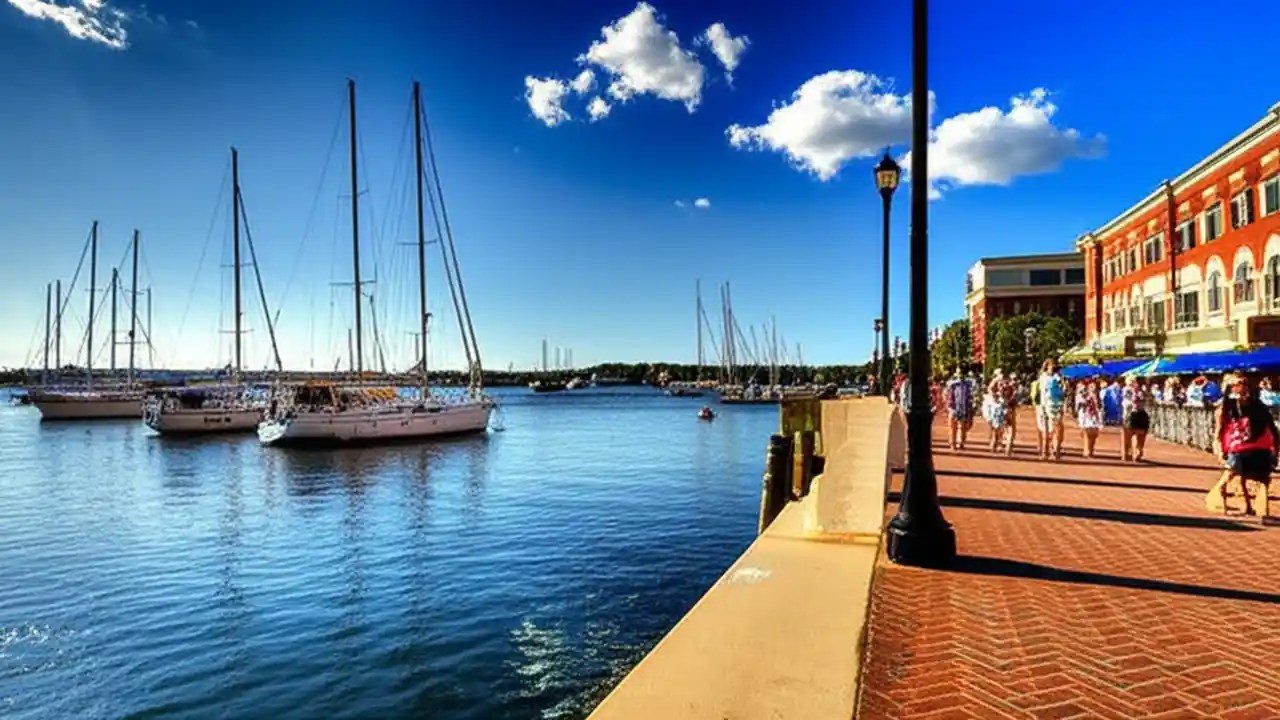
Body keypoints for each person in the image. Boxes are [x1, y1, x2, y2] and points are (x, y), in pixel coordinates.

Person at [1213, 377, 1279, 524]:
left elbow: (1272, 429)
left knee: (1263, 479)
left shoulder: (1258, 406)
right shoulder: (1224, 409)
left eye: (1243, 384)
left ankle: (1263, 511)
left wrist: (1275, 450)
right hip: (1236, 448)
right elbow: (1218, 431)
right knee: (1233, 474)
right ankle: (1243, 504)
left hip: (1259, 447)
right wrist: (1219, 449)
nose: (1241, 388)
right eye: (1237, 385)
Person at [1036, 359, 1067, 460]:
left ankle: (1051, 451)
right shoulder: (1049, 377)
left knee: (1052, 428)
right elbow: (1063, 389)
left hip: (1050, 404)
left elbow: (1063, 390)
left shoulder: (1047, 377)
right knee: (1050, 428)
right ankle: (1050, 451)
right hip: (1050, 404)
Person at [1121, 377, 1150, 462]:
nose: (1133, 384)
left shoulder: (1143, 391)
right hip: (1129, 414)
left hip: (1141, 413)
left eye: (1135, 382)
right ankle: (1127, 452)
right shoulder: (1126, 390)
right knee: (1127, 435)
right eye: (1131, 382)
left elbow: (1148, 400)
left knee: (1141, 433)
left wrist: (1146, 392)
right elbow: (1128, 402)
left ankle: (1139, 450)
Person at [945, 369, 974, 450]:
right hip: (953, 408)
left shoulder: (968, 385)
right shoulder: (952, 385)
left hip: (963, 408)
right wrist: (949, 406)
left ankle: (960, 442)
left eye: (961, 373)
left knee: (962, 427)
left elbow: (970, 397)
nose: (960, 375)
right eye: (959, 373)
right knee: (952, 426)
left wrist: (970, 407)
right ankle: (952, 443)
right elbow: (947, 395)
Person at [1075, 378, 1104, 458]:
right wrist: (1086, 399)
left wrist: (1096, 400)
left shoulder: (1095, 386)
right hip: (1085, 412)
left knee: (1094, 433)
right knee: (1087, 432)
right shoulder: (1081, 387)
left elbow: (1099, 400)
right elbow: (1078, 399)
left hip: (1095, 412)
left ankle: (1091, 450)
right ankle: (1086, 450)